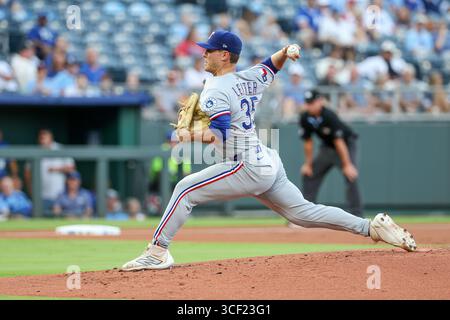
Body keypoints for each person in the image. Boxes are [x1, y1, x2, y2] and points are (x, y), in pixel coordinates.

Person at [121, 30, 416, 271]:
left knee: (185, 189)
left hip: (246, 164)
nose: (203, 53)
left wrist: (187, 135)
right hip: (265, 160)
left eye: (209, 50)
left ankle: (158, 251)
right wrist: (286, 50)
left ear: (224, 55)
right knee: (303, 213)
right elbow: (271, 65)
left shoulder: (216, 89)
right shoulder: (248, 78)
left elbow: (217, 134)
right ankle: (371, 228)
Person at [299, 89, 363, 217]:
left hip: (346, 145)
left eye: (312, 102)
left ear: (320, 101)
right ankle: (305, 215)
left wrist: (347, 164)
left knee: (350, 175)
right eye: (308, 103)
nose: (310, 106)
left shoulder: (329, 115)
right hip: (327, 148)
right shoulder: (305, 117)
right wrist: (308, 164)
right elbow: (308, 142)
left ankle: (357, 215)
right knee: (309, 174)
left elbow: (339, 142)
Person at [24, 129, 76, 214]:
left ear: (51, 138)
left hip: (59, 194)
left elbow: (72, 168)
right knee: (39, 218)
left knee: (58, 218)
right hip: (40, 194)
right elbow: (27, 173)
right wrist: (31, 190)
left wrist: (56, 169)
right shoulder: (35, 151)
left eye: (45, 138)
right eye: (41, 138)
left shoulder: (60, 149)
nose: (43, 140)